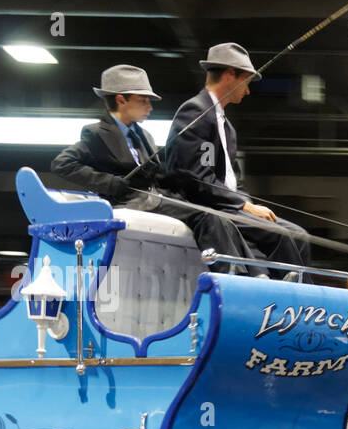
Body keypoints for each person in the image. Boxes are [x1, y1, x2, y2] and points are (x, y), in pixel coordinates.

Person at [50, 65, 256, 274]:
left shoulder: (145, 136)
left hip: (157, 197)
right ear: (121, 100)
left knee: (217, 215)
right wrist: (109, 182)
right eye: (143, 100)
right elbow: (62, 164)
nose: (149, 107)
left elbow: (156, 174)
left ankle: (255, 272)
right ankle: (229, 273)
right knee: (208, 218)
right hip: (130, 201)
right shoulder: (96, 133)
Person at [165, 43, 311, 274]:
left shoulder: (226, 126)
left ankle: (295, 293)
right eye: (247, 81)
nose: (248, 90)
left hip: (231, 205)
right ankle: (285, 296)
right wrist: (244, 205)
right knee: (283, 236)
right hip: (212, 206)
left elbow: (234, 179)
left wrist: (247, 204)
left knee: (299, 236)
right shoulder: (195, 111)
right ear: (229, 74)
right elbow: (195, 174)